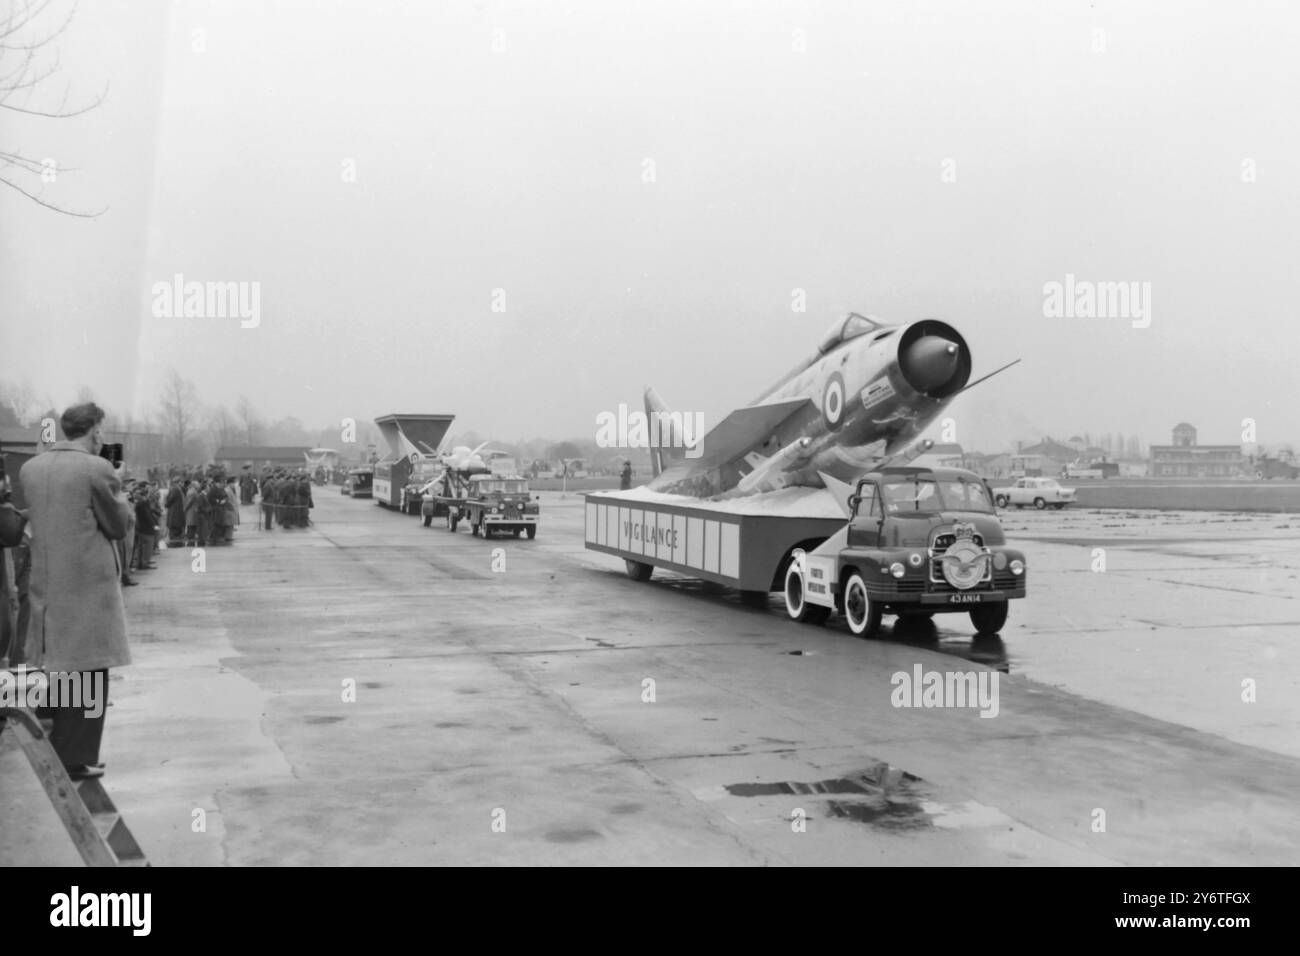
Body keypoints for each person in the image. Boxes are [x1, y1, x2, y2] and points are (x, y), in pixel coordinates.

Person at [18, 403, 131, 779]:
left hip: (48, 587)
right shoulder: (97, 469)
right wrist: (121, 486)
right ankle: (76, 757)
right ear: (95, 430)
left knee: (59, 668)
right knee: (90, 671)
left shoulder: (30, 469)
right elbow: (117, 525)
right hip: (87, 588)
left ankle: (57, 745)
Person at [164, 477, 185, 545]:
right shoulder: (175, 489)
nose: (182, 483)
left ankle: (176, 543)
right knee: (174, 529)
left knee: (176, 529)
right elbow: (170, 499)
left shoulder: (176, 489)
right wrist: (166, 504)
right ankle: (173, 543)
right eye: (181, 482)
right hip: (175, 513)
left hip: (176, 513)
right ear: (178, 482)